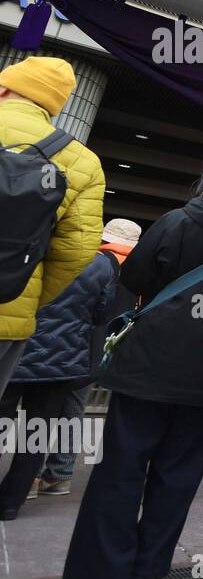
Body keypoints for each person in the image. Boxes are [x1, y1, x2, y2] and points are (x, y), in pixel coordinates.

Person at [62, 150, 203, 579]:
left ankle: (103, 574)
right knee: (178, 477)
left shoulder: (178, 221)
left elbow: (136, 278)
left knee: (120, 470)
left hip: (147, 368)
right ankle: (147, 573)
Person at [0, 219, 135, 519]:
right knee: (41, 428)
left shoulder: (35, 253)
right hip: (68, 358)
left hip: (21, 349)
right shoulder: (104, 267)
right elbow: (102, 313)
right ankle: (15, 499)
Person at [0, 57, 105, 396]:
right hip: (9, 312)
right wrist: (26, 295)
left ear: (4, 88)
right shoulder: (82, 161)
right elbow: (76, 252)